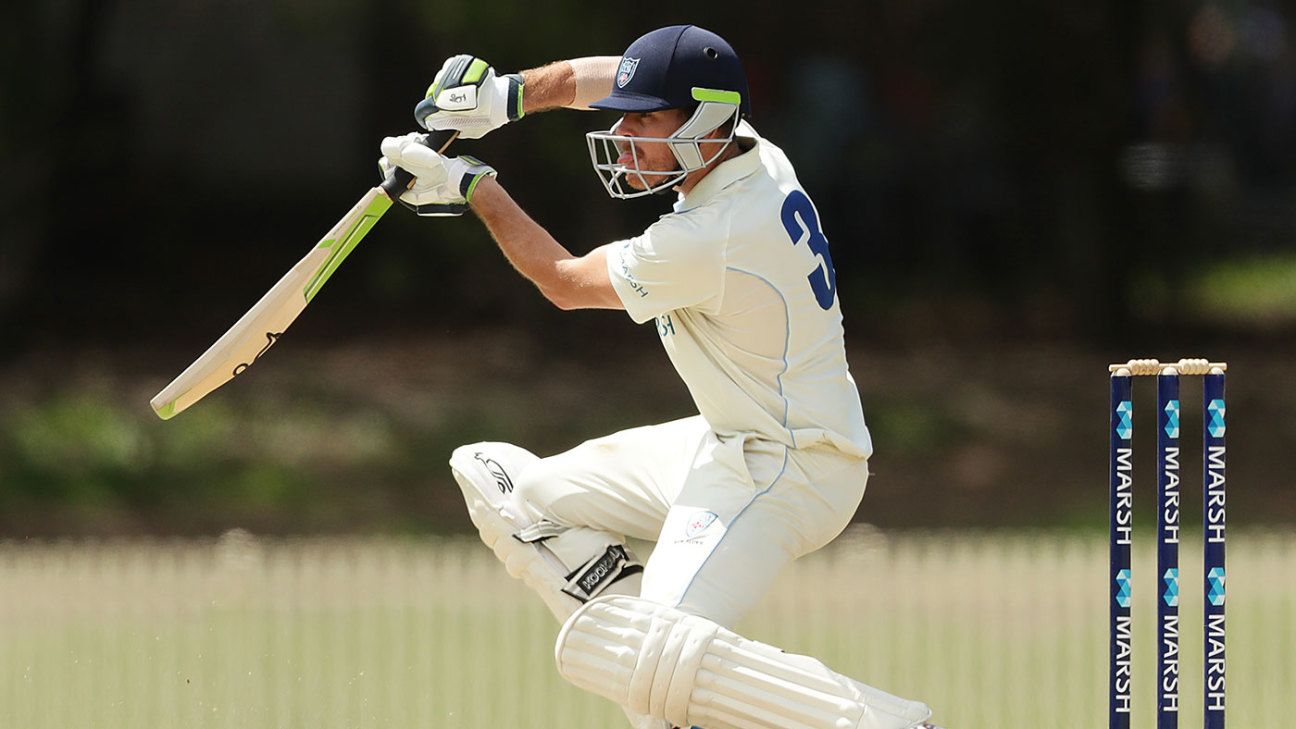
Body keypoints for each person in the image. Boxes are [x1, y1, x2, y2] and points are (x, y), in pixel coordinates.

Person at [378, 24, 942, 729]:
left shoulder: (716, 233)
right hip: (731, 439)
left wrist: (473, 186)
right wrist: (508, 96)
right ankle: (645, 625)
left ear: (705, 123)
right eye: (628, 114)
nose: (626, 131)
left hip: (791, 467)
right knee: (527, 500)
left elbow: (563, 282)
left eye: (646, 119)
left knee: (652, 677)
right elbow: (610, 74)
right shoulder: (745, 144)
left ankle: (874, 722)